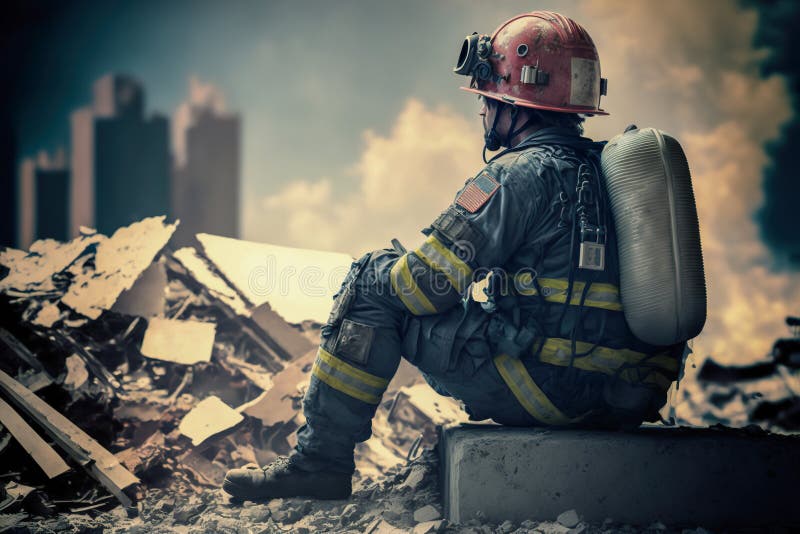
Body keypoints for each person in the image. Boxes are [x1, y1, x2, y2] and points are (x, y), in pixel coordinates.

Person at [223, 11, 686, 501]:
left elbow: (422, 287)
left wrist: (398, 267)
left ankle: (319, 464)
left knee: (371, 280)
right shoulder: (618, 175)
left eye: (488, 98)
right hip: (622, 399)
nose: (483, 112)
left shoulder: (515, 176)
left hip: (543, 389)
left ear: (515, 105)